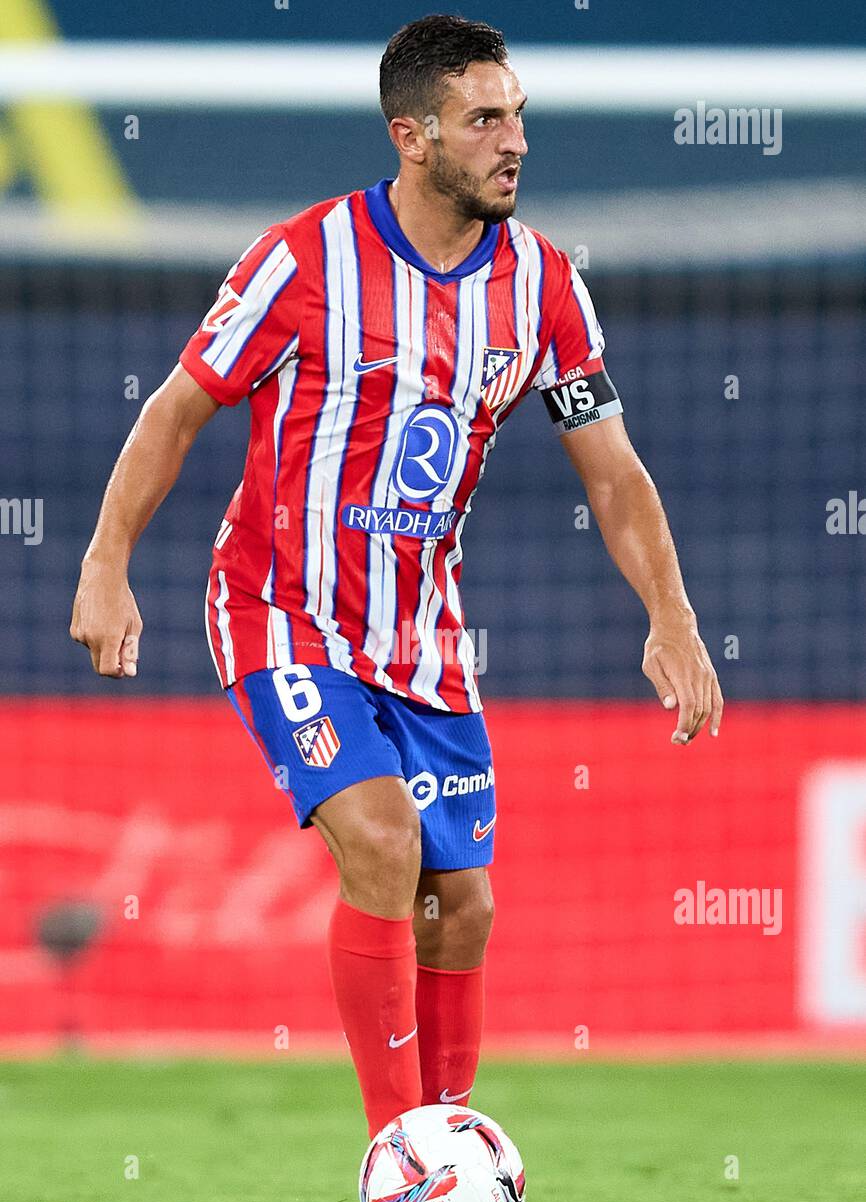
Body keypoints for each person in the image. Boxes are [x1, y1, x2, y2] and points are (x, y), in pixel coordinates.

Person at [70, 14, 723, 1139]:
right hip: (280, 612)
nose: (511, 141)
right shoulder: (301, 258)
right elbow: (175, 411)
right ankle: (399, 1155)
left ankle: (451, 1144)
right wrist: (104, 562)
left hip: (425, 637)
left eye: (517, 115)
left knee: (459, 910)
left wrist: (671, 615)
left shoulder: (545, 288)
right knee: (382, 839)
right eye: (483, 120)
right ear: (411, 136)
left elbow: (613, 474)